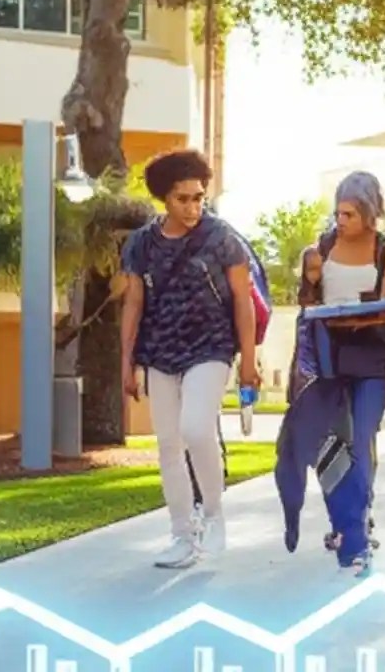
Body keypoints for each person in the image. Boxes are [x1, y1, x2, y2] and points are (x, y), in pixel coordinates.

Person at [120, 149, 260, 570]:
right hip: (160, 351)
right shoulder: (141, 244)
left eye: (199, 196)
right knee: (167, 445)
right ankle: (182, 534)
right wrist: (126, 362)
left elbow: (243, 300)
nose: (194, 206)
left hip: (211, 346)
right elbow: (133, 303)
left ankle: (213, 514)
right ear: (165, 198)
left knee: (197, 429)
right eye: (183, 198)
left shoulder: (221, 238)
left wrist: (249, 360)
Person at [274, 171, 385, 577]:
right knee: (330, 445)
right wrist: (309, 283)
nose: (341, 220)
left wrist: (354, 314)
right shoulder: (323, 246)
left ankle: (358, 528)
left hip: (371, 359)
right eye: (338, 212)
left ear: (369, 212)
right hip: (328, 358)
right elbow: (307, 300)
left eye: (350, 213)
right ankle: (347, 527)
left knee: (361, 441)